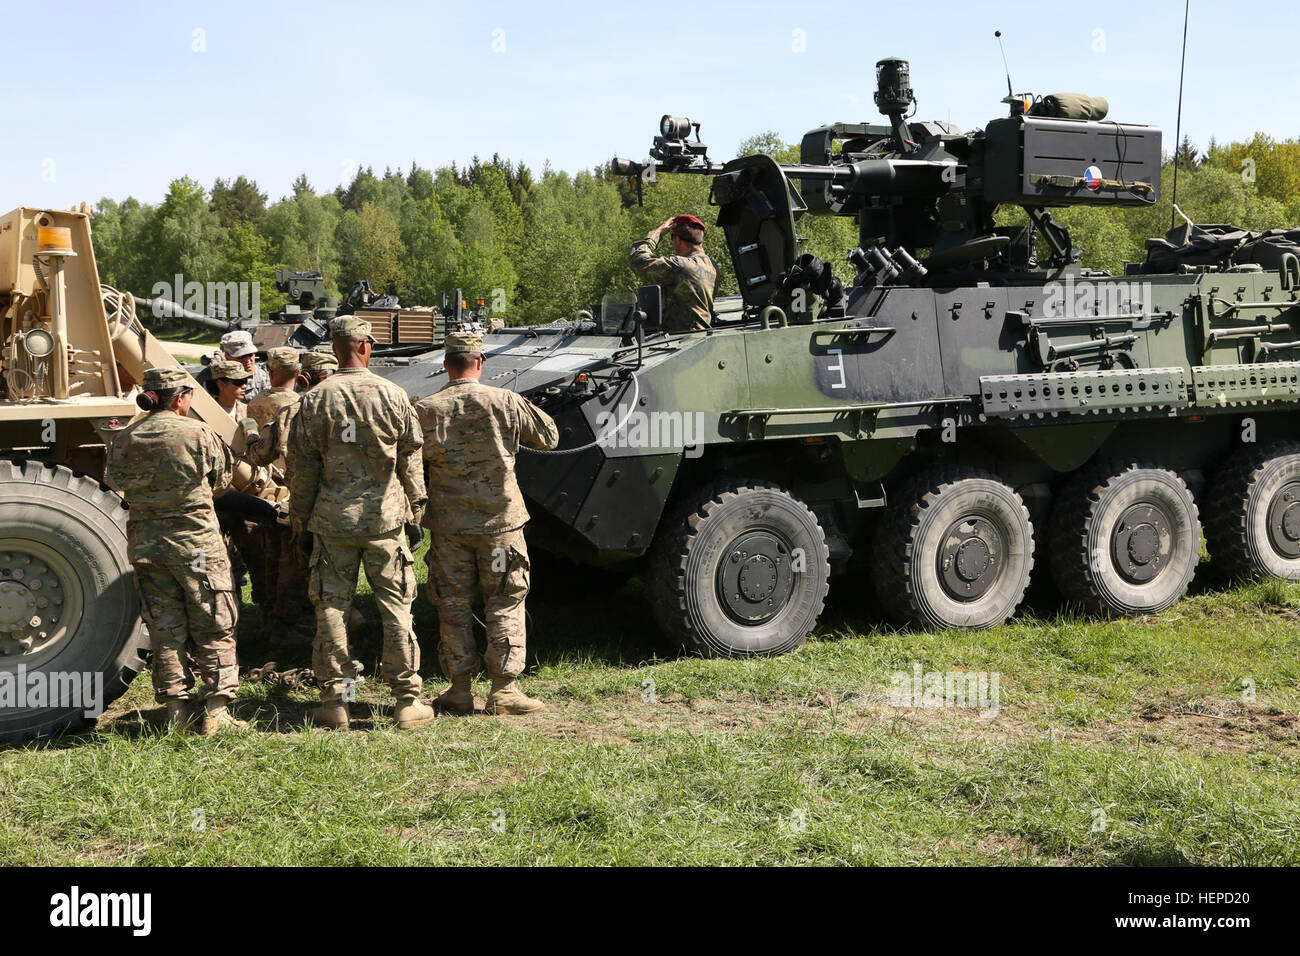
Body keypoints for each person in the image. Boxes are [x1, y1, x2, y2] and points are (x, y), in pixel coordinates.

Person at [289, 317, 431, 730]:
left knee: (332, 608)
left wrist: (301, 520)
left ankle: (336, 702)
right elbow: (411, 458)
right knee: (396, 606)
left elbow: (303, 469)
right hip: (384, 520)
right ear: (366, 347)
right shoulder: (392, 394)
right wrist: (416, 511)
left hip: (332, 522)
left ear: (335, 349)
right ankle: (406, 702)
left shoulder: (315, 400)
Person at [414, 332, 558, 716]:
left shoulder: (426, 409)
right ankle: (505, 690)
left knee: (453, 605)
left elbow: (408, 457)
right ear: (480, 363)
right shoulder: (505, 401)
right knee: (504, 600)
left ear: (445, 365)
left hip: (450, 529)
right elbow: (549, 436)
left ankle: (459, 690)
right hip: (499, 530)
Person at [105, 366, 244, 734]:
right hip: (197, 548)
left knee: (165, 631)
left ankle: (176, 714)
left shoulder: (126, 437)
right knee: (215, 624)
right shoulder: (198, 432)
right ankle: (216, 711)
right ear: (180, 397)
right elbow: (221, 484)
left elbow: (116, 482)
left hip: (149, 549)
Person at [242, 347, 307, 644]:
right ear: (298, 372)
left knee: (267, 557)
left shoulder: (253, 405)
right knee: (292, 562)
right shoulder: (302, 405)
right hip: (294, 493)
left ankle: (266, 617)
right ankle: (287, 623)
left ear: (269, 371)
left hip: (262, 489)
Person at [629, 213, 718, 332]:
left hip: (681, 340)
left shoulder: (681, 266)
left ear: (678, 240)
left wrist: (658, 233)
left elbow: (638, 262)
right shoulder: (712, 266)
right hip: (702, 336)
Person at [194, 329, 270, 400]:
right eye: (240, 356)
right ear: (226, 356)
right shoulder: (209, 377)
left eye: (250, 354)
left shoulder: (262, 375)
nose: (247, 360)